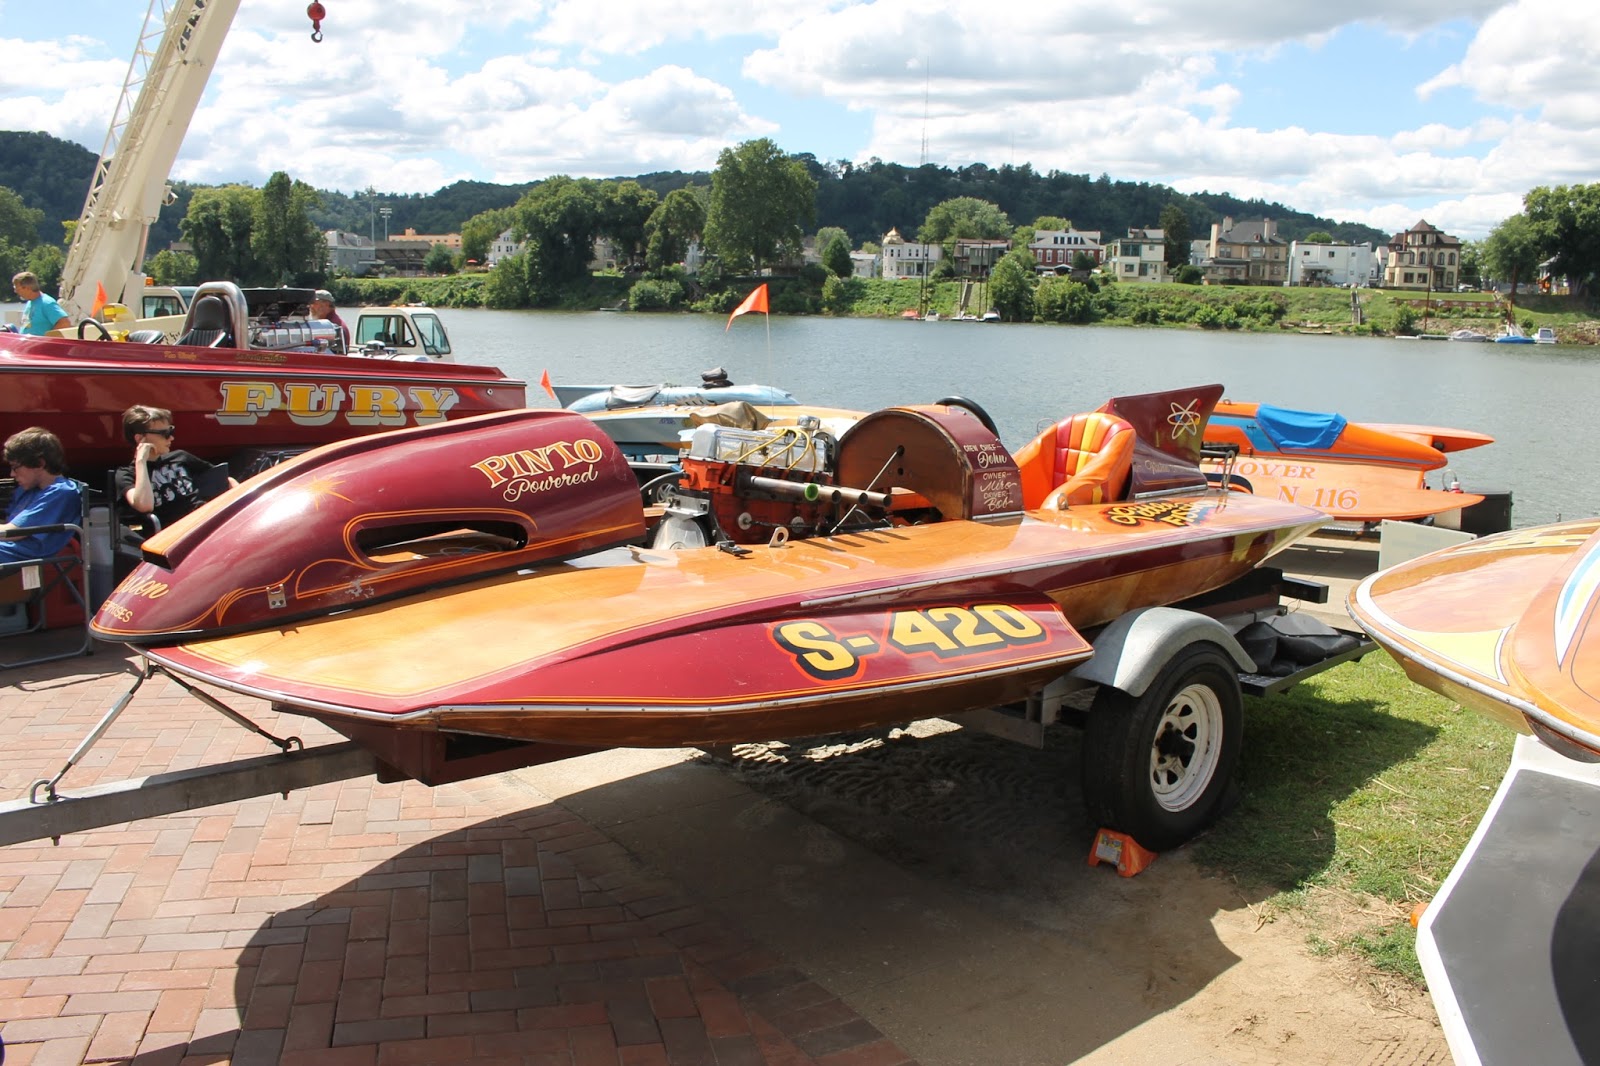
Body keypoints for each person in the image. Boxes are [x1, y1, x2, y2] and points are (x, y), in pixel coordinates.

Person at [115, 406, 237, 531]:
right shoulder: (126, 474)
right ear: (140, 439)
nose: (171, 438)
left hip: (205, 520)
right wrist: (141, 461)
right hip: (174, 533)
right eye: (164, 434)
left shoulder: (181, 457)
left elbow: (225, 479)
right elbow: (144, 505)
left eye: (170, 431)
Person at [1, 427, 80, 563]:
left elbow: (12, 533)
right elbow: (7, 523)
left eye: (15, 467)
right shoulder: (29, 489)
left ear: (39, 463)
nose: (12, 474)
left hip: (22, 553)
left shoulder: (60, 493)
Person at [10, 272, 70, 336]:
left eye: (17, 289)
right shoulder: (30, 302)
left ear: (27, 288)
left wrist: (47, 339)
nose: (15, 291)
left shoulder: (46, 303)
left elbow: (64, 323)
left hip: (40, 342)